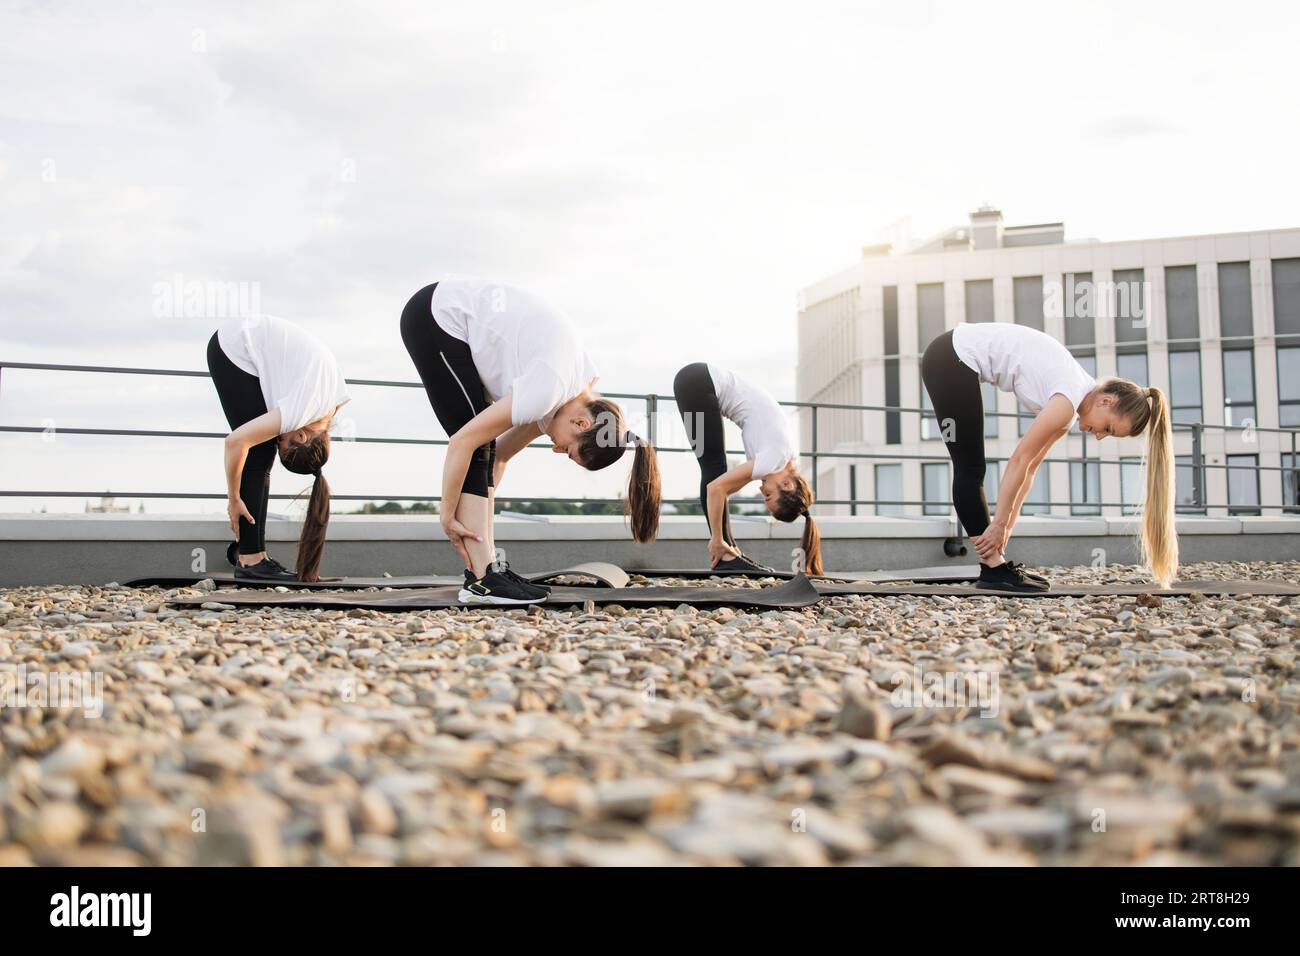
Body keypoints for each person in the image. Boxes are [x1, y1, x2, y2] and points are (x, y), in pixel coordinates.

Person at [401, 279, 661, 605]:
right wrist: (448, 515)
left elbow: (499, 457)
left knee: (485, 448)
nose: (555, 449)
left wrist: (481, 534)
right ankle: (482, 581)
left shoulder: (573, 390)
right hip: (436, 317)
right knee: (475, 440)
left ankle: (487, 571)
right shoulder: (548, 389)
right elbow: (462, 443)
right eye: (568, 450)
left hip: (452, 319)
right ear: (582, 423)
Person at [921, 322, 1176, 592]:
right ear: (1107, 401)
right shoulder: (1067, 399)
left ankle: (995, 566)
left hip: (958, 359)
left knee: (972, 468)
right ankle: (993, 569)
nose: (1100, 436)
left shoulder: (1068, 409)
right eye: (1108, 428)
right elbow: (1019, 458)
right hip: (949, 356)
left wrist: (1006, 526)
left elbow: (1030, 469)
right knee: (970, 468)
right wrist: (996, 524)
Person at [207, 315, 348, 582]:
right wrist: (234, 498)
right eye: (283, 442)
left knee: (261, 449)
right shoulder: (301, 411)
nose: (279, 438)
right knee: (258, 450)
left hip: (251, 340)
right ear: (303, 437)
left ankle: (254, 556)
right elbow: (235, 441)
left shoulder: (328, 408)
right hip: (235, 346)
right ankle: (250, 560)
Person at [672, 362, 822, 575]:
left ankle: (731, 554)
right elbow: (715, 488)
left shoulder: (785, 459)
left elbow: (722, 490)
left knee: (717, 473)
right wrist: (716, 538)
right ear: (787, 484)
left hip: (697, 381)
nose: (762, 491)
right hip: (698, 383)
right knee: (715, 470)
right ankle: (724, 555)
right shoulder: (774, 458)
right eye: (769, 495)